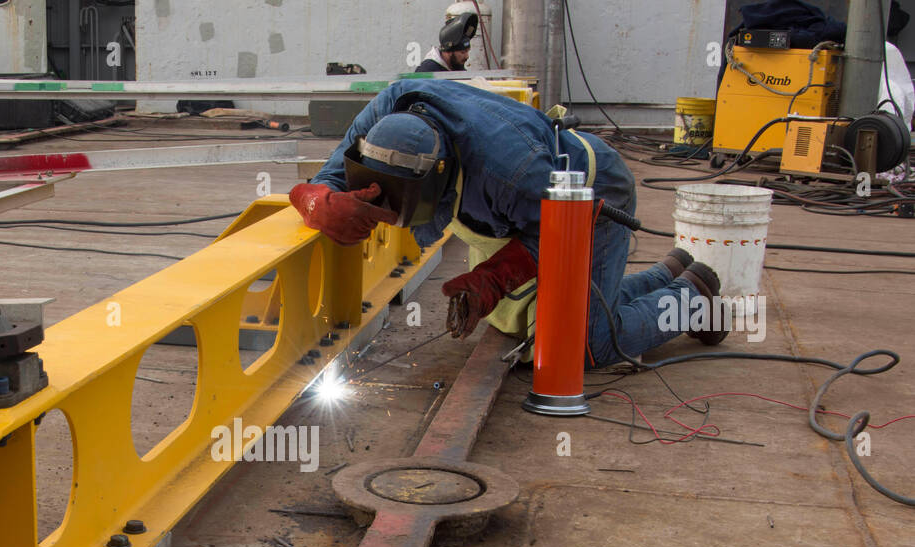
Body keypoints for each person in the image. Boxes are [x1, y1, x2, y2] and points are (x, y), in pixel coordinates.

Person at [289, 80, 727, 365]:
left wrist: (492, 279)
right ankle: (667, 273)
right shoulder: (386, 113)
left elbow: (552, 236)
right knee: (529, 320)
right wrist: (316, 201)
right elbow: (329, 176)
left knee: (581, 347)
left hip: (588, 196)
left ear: (436, 179)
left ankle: (691, 301)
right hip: (531, 195)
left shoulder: (512, 173)